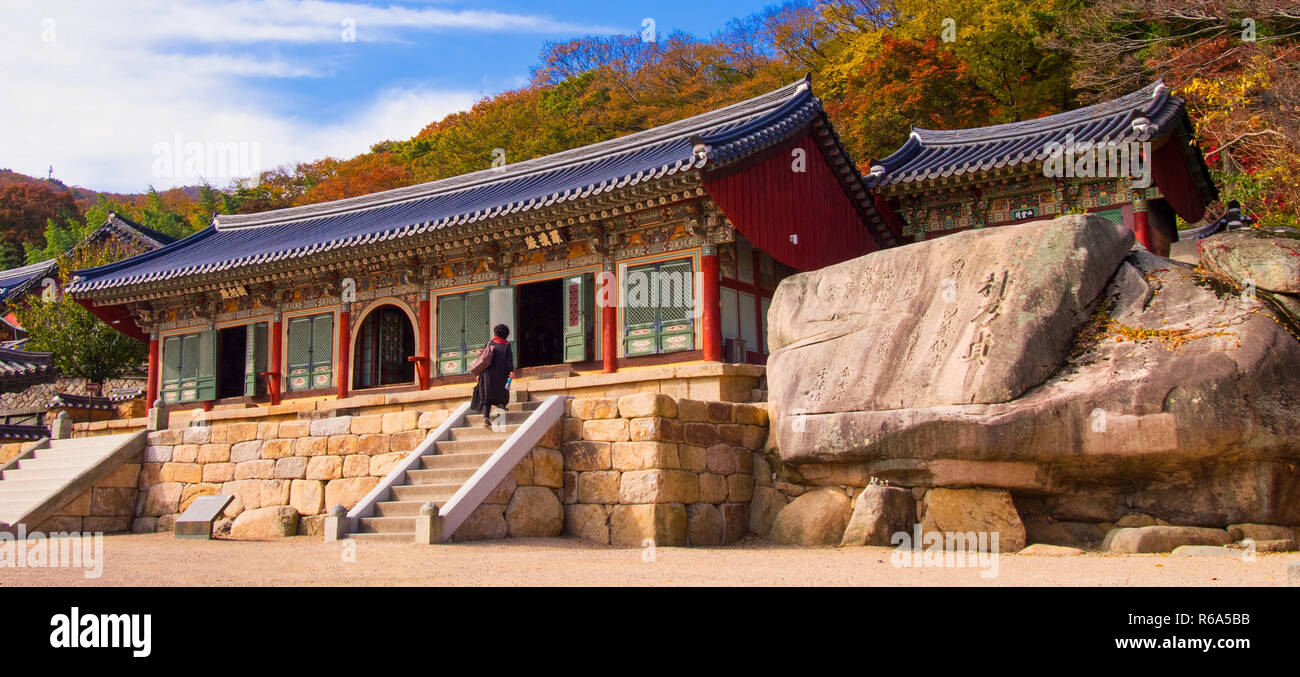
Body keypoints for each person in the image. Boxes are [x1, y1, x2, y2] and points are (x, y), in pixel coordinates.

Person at [471, 323, 514, 429]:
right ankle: (501, 406)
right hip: (501, 374)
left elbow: (482, 358)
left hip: (486, 374)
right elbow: (509, 361)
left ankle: (486, 418)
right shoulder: (506, 345)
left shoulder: (489, 343)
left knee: (487, 397)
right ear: (506, 334)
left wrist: (479, 373)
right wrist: (511, 371)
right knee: (502, 392)